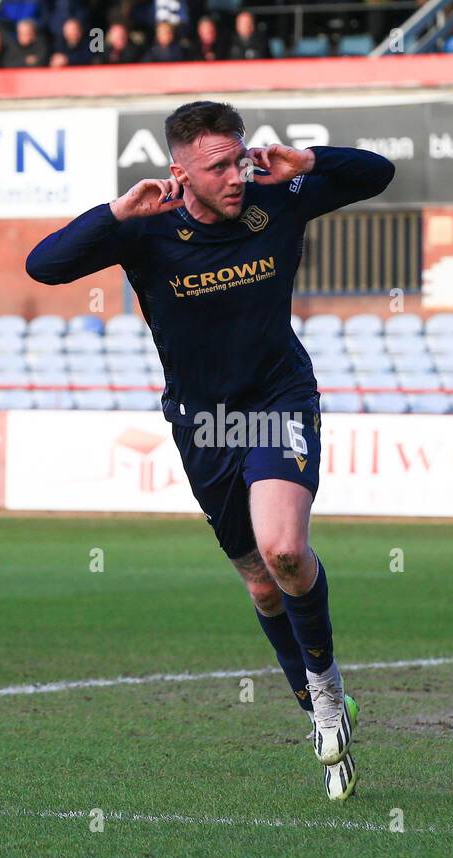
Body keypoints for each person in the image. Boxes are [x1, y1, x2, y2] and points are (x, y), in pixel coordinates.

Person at [25, 100, 395, 801]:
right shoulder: (147, 229)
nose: (235, 176)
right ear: (180, 173)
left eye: (238, 158)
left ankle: (325, 694)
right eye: (217, 166)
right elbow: (44, 265)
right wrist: (115, 212)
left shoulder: (276, 197)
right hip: (204, 424)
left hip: (279, 398)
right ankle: (318, 706)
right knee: (260, 583)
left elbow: (379, 174)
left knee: (285, 550)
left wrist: (309, 162)